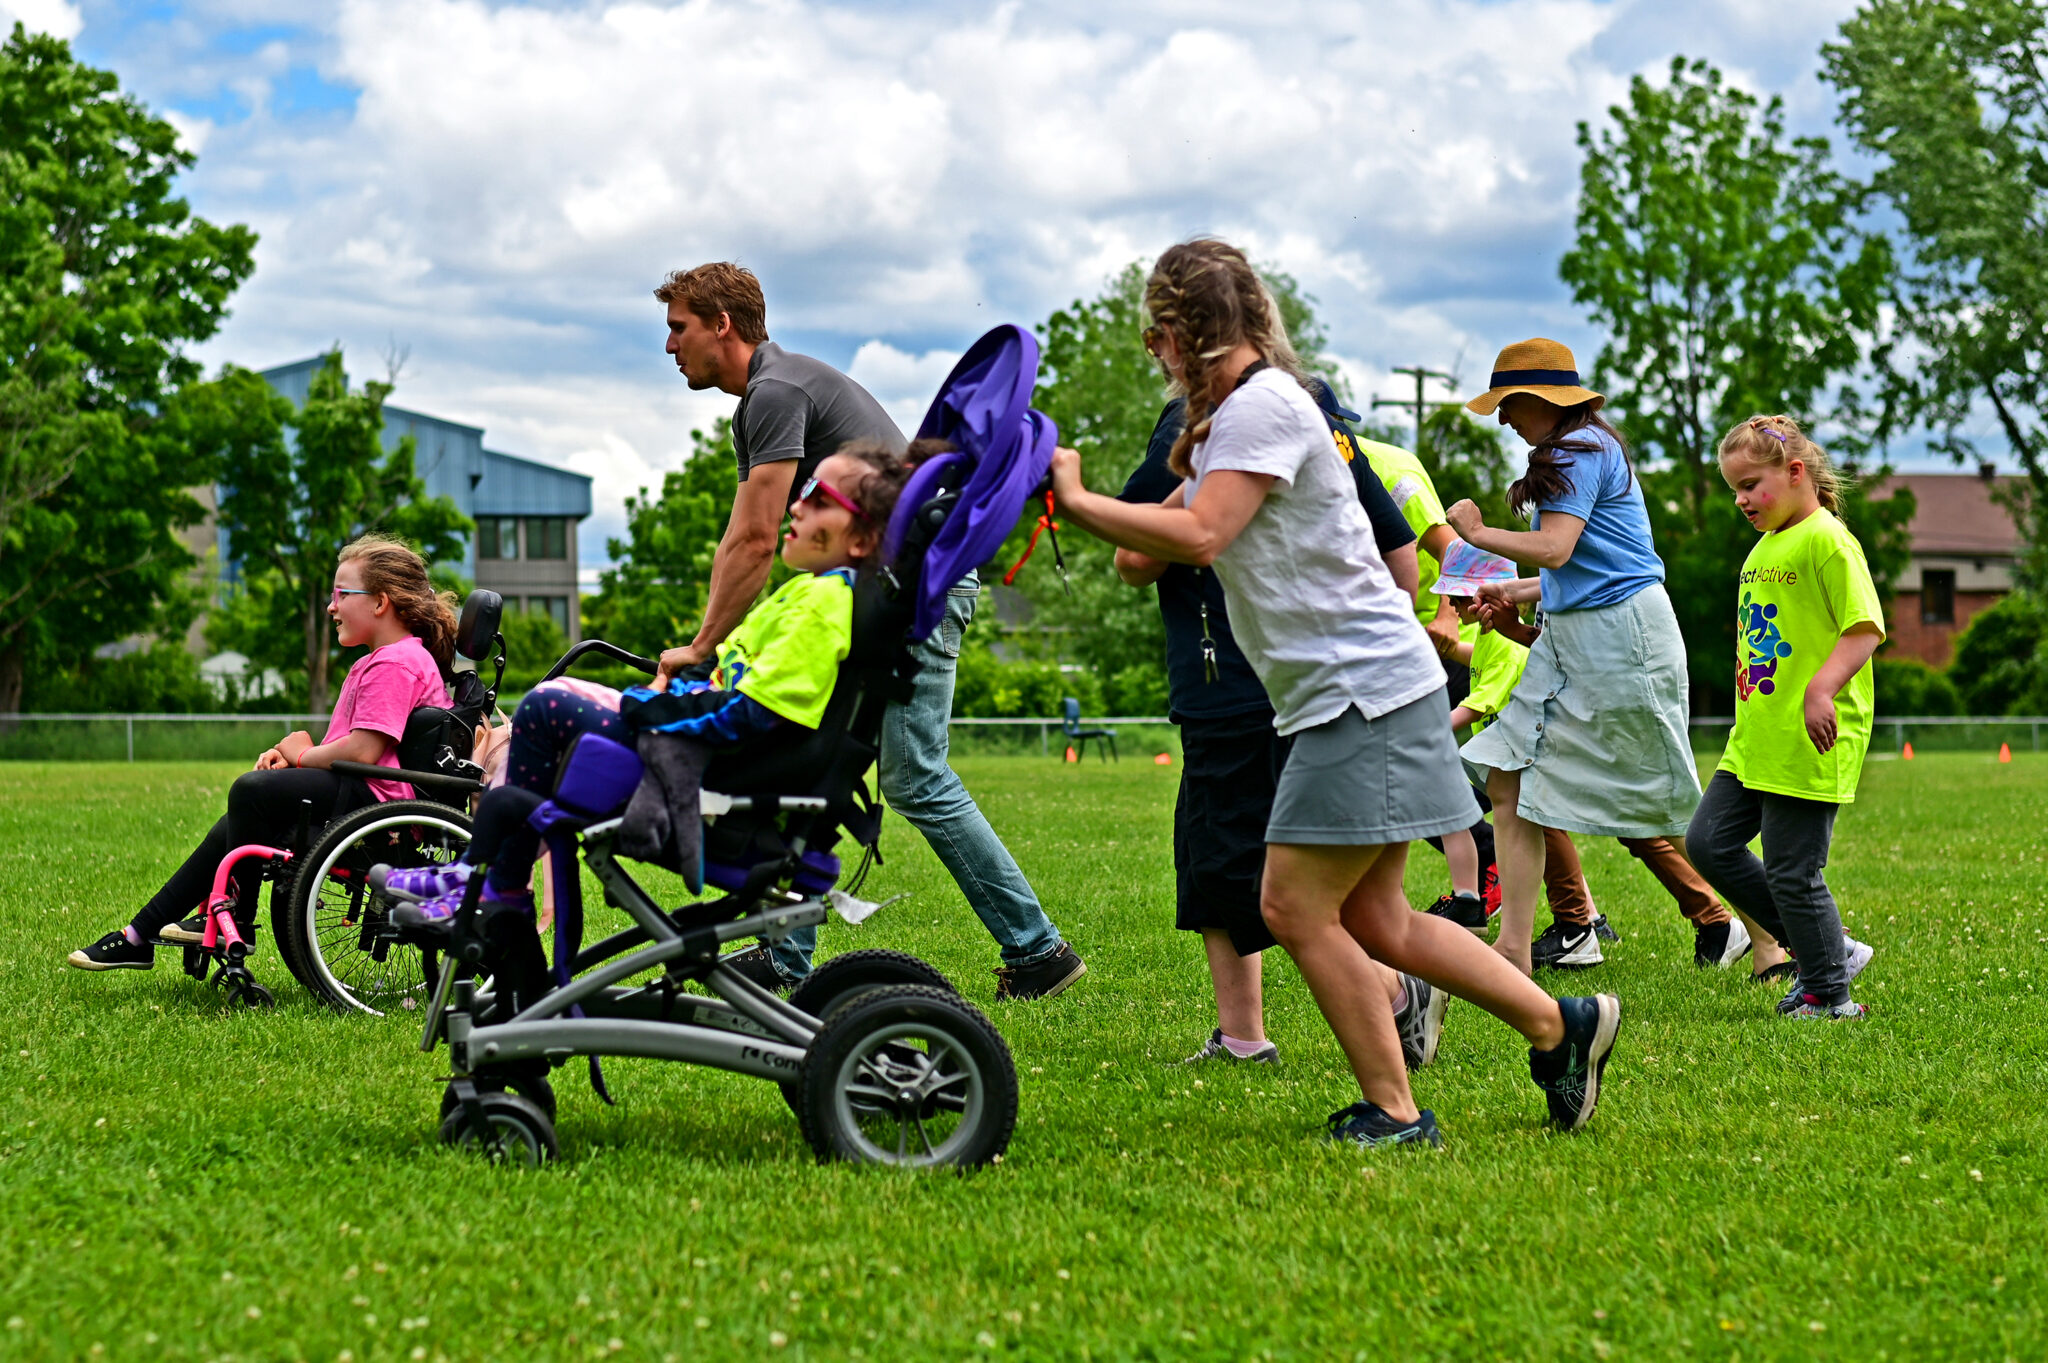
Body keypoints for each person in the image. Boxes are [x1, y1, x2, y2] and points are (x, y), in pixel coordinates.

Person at [1054, 240, 1620, 1147]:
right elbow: (1151, 553)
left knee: (1291, 905)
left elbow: (1199, 536)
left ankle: (1398, 1110)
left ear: (1178, 332)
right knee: (1373, 916)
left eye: (1156, 338)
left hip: (1360, 694)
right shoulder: (1236, 418)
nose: (1154, 356)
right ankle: (1563, 1026)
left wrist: (1076, 498)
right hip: (1351, 693)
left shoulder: (1264, 406)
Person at [652, 263, 1083, 999]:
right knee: (811, 761)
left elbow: (756, 539)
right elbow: (748, 534)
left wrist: (702, 645)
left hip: (917, 591)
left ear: (722, 325)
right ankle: (787, 957)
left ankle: (1038, 949)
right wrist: (718, 638)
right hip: (875, 594)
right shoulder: (771, 392)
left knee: (914, 775)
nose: (670, 346)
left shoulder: (776, 392)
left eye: (679, 327)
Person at [389, 445, 912, 927]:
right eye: (802, 492)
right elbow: (730, 683)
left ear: (862, 538)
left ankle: (490, 884)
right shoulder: (808, 593)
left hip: (706, 766)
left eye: (819, 499)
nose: (796, 506)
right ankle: (487, 878)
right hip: (698, 747)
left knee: (547, 706)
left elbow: (752, 714)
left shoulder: (823, 608)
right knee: (543, 726)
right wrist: (675, 691)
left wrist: (648, 708)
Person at [1118, 378, 1444, 1070]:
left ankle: (1388, 1002)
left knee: (1242, 869)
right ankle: (1279, 1026)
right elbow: (1402, 560)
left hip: (1234, 688)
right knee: (1307, 876)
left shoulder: (1197, 422)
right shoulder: (1318, 422)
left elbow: (1134, 558)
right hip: (1324, 685)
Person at [1447, 339, 1716, 975]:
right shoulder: (1577, 447)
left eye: (1508, 404)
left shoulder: (1582, 449)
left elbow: (1560, 548)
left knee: (1668, 797)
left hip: (1628, 637)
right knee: (1506, 774)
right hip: (1590, 630)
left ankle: (1772, 934)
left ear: (1541, 400)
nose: (1503, 418)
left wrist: (1478, 533)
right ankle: (1512, 948)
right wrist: (1512, 592)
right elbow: (1587, 566)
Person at [67, 536, 457, 970]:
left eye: (341, 594)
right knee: (233, 822)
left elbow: (365, 751)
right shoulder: (387, 658)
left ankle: (237, 916)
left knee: (251, 789)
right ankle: (139, 935)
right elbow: (359, 748)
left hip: (374, 806)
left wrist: (302, 753)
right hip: (360, 793)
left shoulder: (395, 663)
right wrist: (291, 756)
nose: (331, 606)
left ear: (380, 602)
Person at [1686, 416, 1882, 1019]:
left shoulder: (1828, 540)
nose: (1742, 500)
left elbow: (1864, 628)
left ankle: (1829, 994)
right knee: (1708, 843)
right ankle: (1830, 950)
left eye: (1751, 484)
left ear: (1795, 473)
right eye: (1734, 489)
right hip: (1757, 737)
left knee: (1795, 870)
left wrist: (1821, 690)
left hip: (1808, 738)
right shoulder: (1765, 546)